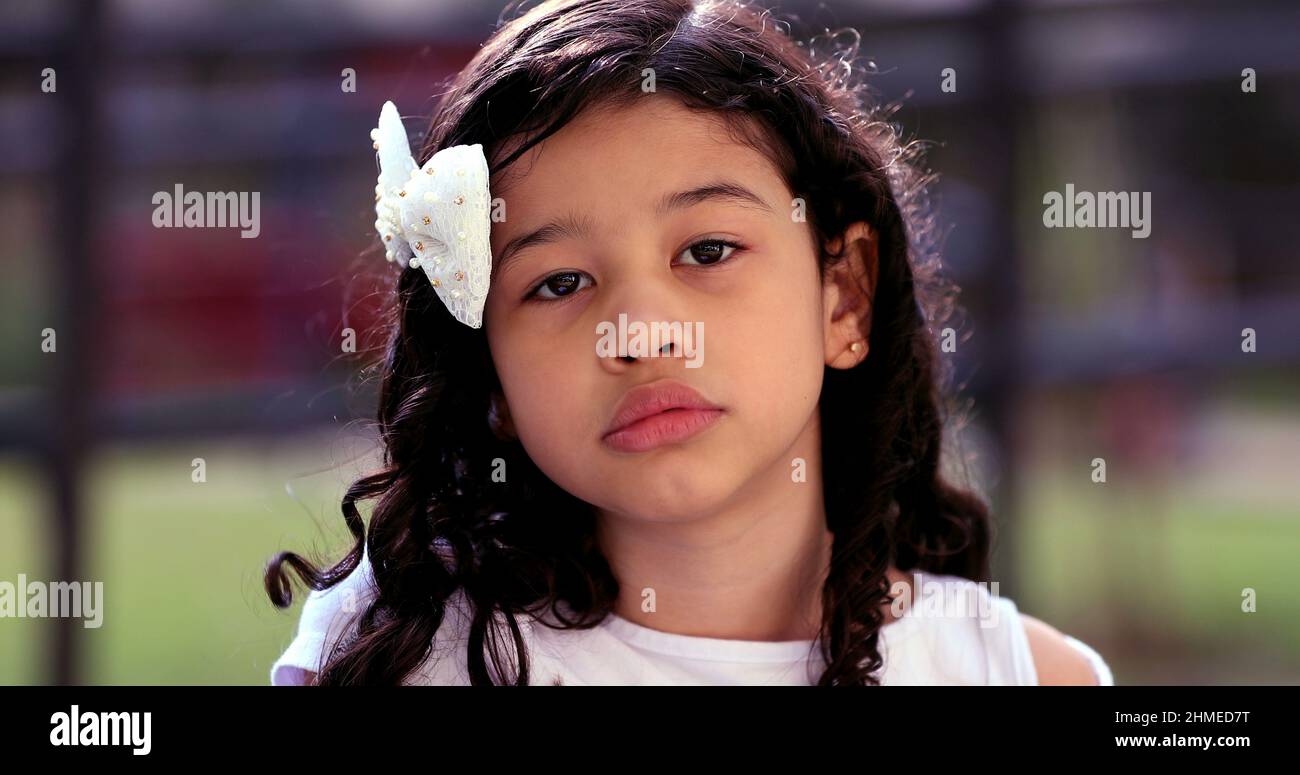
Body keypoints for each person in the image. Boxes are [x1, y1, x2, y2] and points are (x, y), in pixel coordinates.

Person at [265, 0, 1112, 686]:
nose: (639, 333)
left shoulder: (1022, 673)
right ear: (492, 371)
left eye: (707, 251)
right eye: (558, 283)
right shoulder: (399, 652)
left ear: (844, 296)